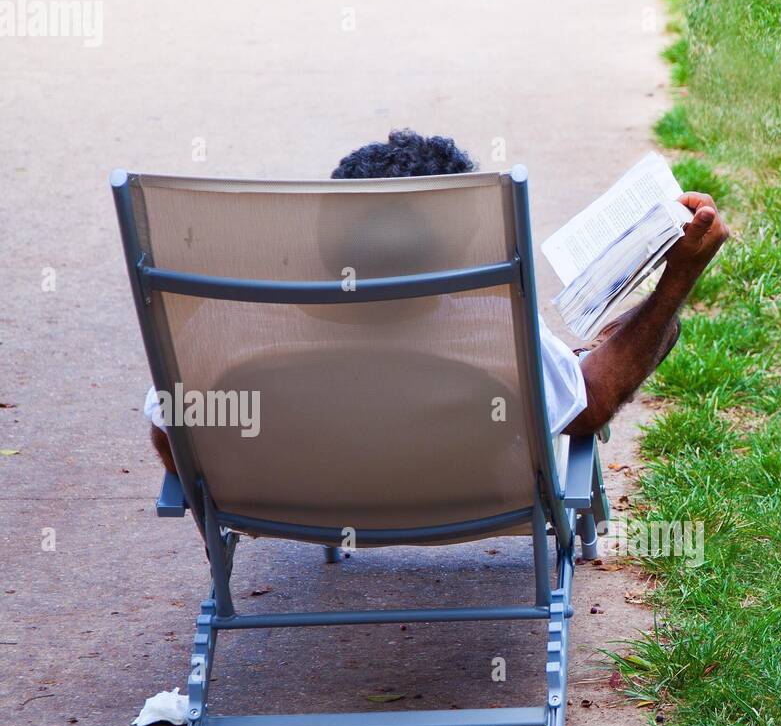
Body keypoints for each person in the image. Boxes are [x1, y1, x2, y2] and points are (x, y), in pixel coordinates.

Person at [146, 129, 729, 472]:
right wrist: (673, 287)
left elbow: (168, 436)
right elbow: (591, 403)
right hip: (467, 499)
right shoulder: (493, 332)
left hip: (280, 507)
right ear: (453, 251)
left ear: (325, 229)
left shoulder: (225, 321)